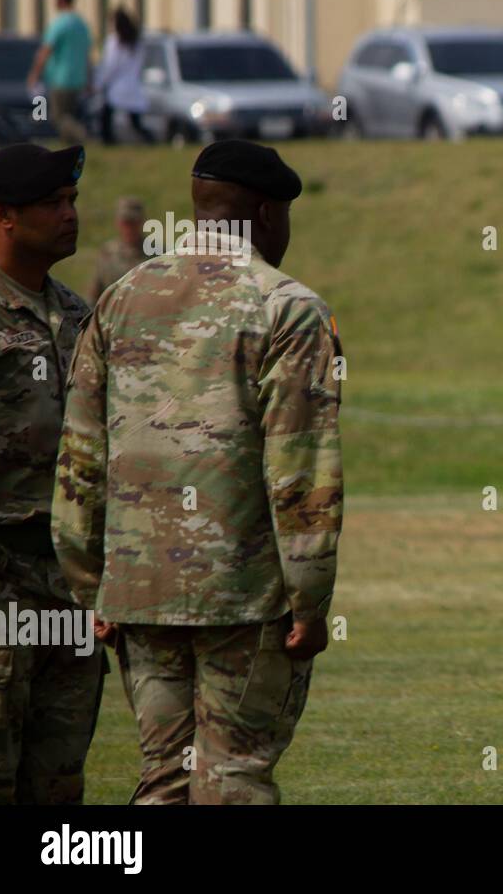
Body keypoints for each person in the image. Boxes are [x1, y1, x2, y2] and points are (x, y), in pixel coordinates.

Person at [52, 139, 343, 804]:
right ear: (267, 214)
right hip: (245, 593)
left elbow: (80, 455)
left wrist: (89, 582)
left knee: (164, 776)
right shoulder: (288, 309)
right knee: (234, 774)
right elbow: (301, 471)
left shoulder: (122, 298)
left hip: (138, 587)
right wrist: (311, 598)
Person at [0, 143, 105, 803]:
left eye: (73, 202)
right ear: (3, 216)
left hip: (68, 589)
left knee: (59, 784)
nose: (70, 215)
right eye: (52, 204)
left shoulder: (81, 316)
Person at [27, 0, 91, 145]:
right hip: (78, 78)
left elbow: (45, 50)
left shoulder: (60, 23)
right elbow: (86, 53)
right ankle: (71, 147)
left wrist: (34, 74)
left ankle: (83, 136)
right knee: (69, 115)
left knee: (59, 117)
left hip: (61, 78)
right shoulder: (81, 24)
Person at [94, 8, 154, 146]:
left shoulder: (114, 42)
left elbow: (110, 66)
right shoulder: (136, 42)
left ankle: (108, 142)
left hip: (118, 87)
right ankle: (149, 139)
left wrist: (99, 84)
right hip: (133, 86)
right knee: (135, 121)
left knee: (106, 117)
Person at [88, 196, 150, 304]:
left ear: (142, 222)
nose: (129, 228)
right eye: (126, 222)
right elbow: (95, 296)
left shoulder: (157, 253)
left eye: (133, 222)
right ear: (117, 223)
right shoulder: (107, 253)